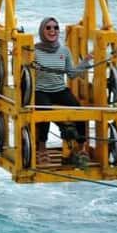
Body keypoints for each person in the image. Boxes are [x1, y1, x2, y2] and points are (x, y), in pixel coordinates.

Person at [33, 17, 92, 165]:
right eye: (48, 28)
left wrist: (85, 62)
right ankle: (42, 148)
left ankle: (81, 147)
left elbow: (71, 73)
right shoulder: (34, 50)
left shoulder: (64, 50)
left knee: (79, 112)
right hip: (41, 90)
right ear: (42, 30)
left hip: (59, 90)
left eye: (55, 28)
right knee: (44, 113)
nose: (52, 31)